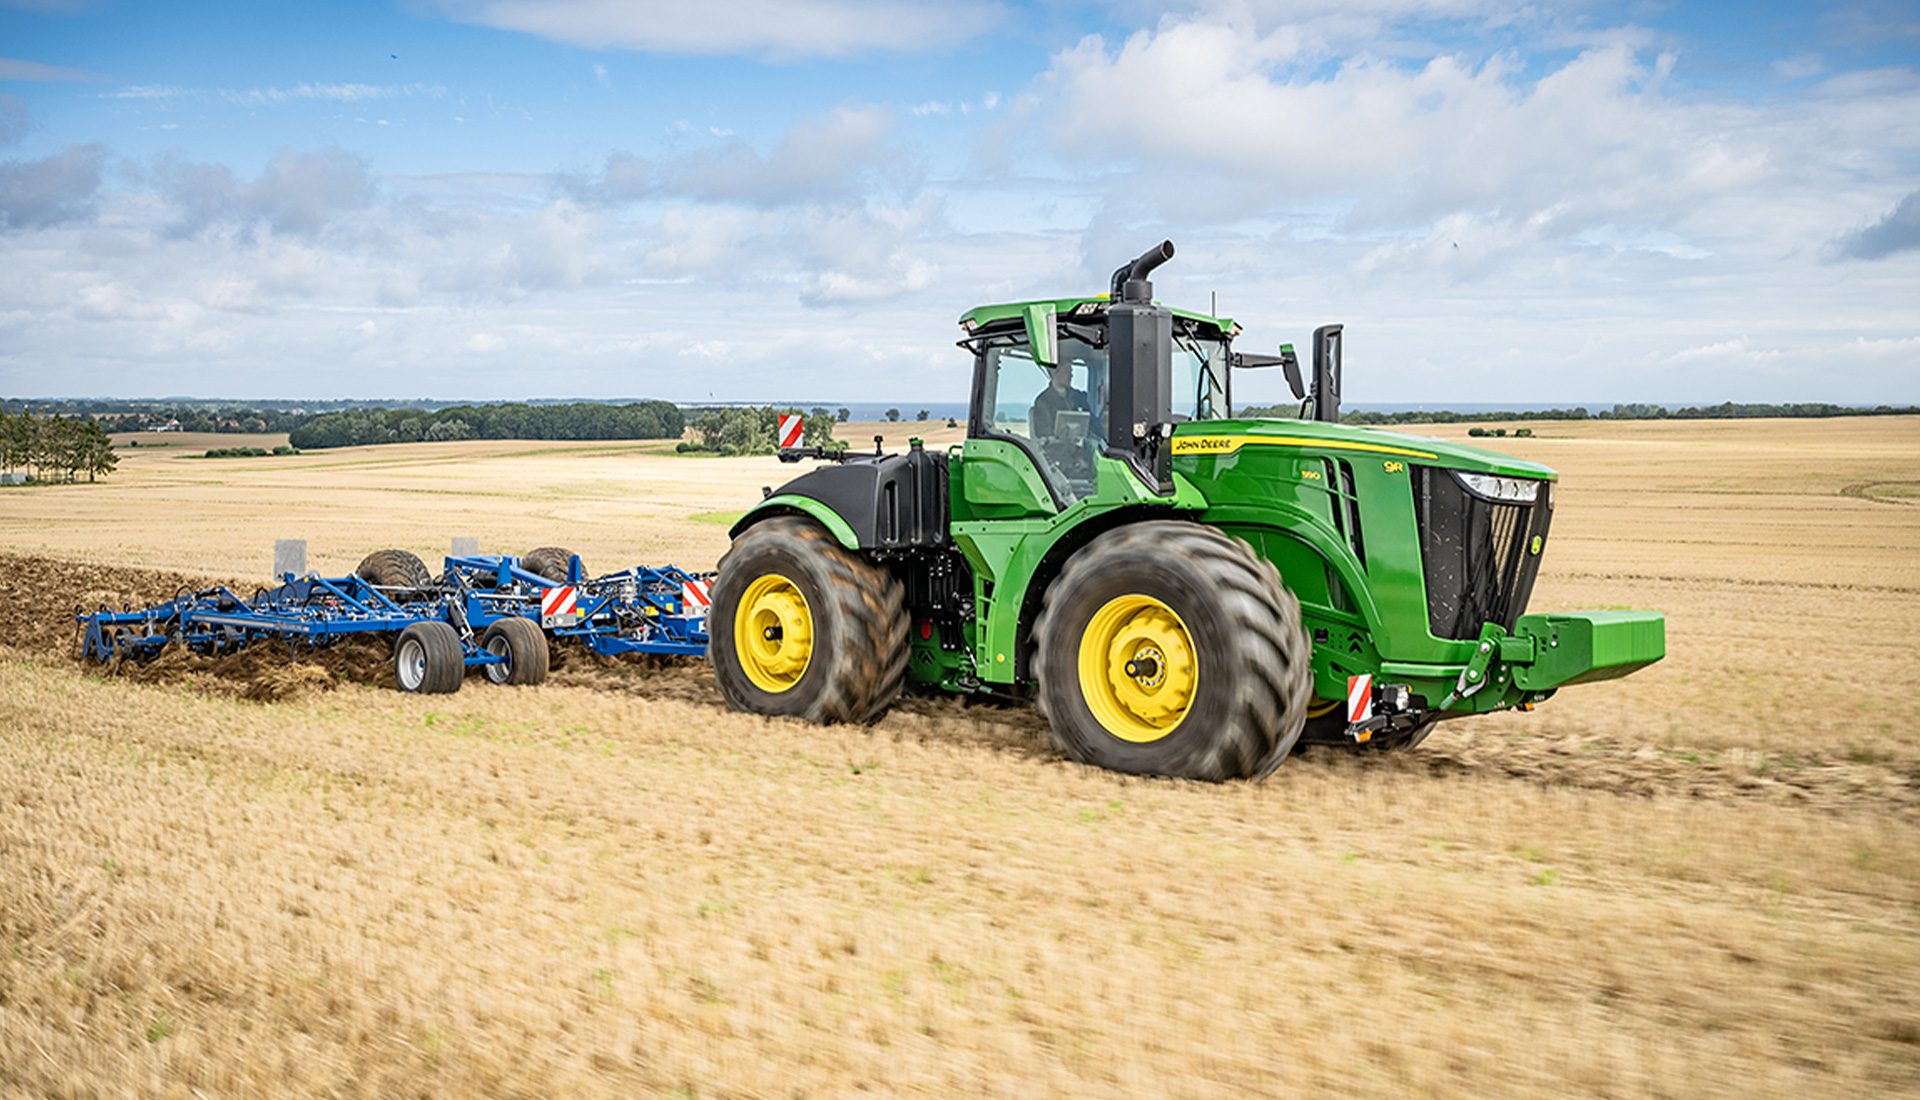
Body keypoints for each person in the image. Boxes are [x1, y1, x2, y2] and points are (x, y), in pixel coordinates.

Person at [1029, 361, 1089, 438]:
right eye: (1066, 371)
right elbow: (1044, 433)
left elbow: (1092, 424)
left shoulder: (1078, 397)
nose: (1071, 375)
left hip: (1081, 446)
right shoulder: (1043, 401)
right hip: (1056, 448)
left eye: (1071, 372)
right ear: (1053, 373)